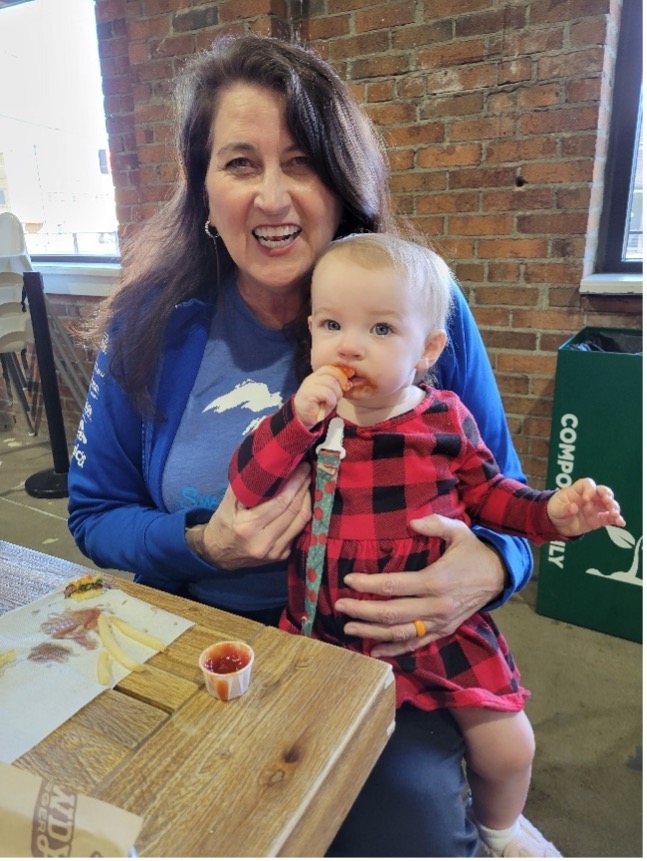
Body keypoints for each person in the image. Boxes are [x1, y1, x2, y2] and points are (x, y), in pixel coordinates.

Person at [68, 32, 538, 856]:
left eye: (301, 163)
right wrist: (203, 542)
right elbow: (94, 513)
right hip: (203, 634)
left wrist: (493, 567)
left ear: (342, 181)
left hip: (383, 649)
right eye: (240, 163)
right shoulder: (149, 322)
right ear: (202, 187)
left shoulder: (416, 312)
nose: (272, 197)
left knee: (409, 830)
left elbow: (507, 500)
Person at [228, 232, 625, 857]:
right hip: (327, 627)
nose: (349, 346)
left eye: (381, 329)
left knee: (510, 746)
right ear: (311, 331)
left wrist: (552, 513)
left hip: (439, 629)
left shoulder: (444, 418)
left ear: (428, 349)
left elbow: (492, 496)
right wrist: (294, 422)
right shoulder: (305, 420)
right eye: (331, 325)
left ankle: (500, 834)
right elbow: (248, 484)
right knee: (290, 757)